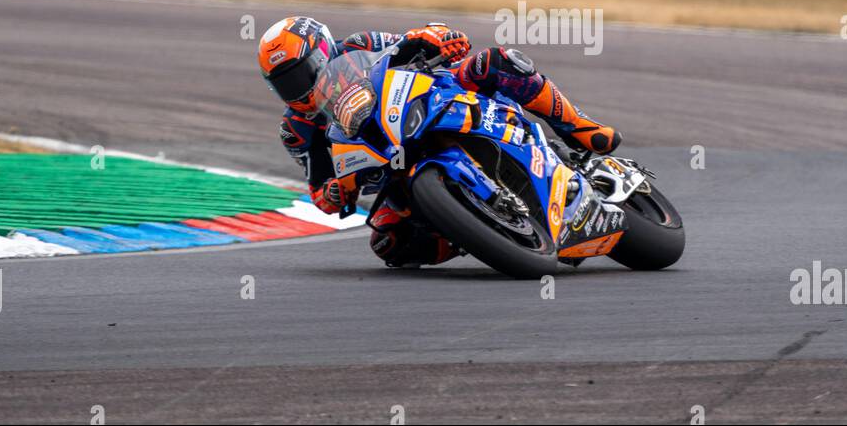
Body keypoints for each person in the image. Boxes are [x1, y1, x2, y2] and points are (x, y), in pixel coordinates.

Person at [257, 18, 621, 267]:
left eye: (299, 74)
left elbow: (411, 42)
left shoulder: (359, 45)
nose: (297, 89)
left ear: (321, 53)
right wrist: (334, 193)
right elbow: (319, 190)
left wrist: (437, 36)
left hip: (425, 102)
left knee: (495, 62)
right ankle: (477, 230)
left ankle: (579, 126)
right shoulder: (297, 129)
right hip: (385, 165)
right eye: (284, 84)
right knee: (389, 243)